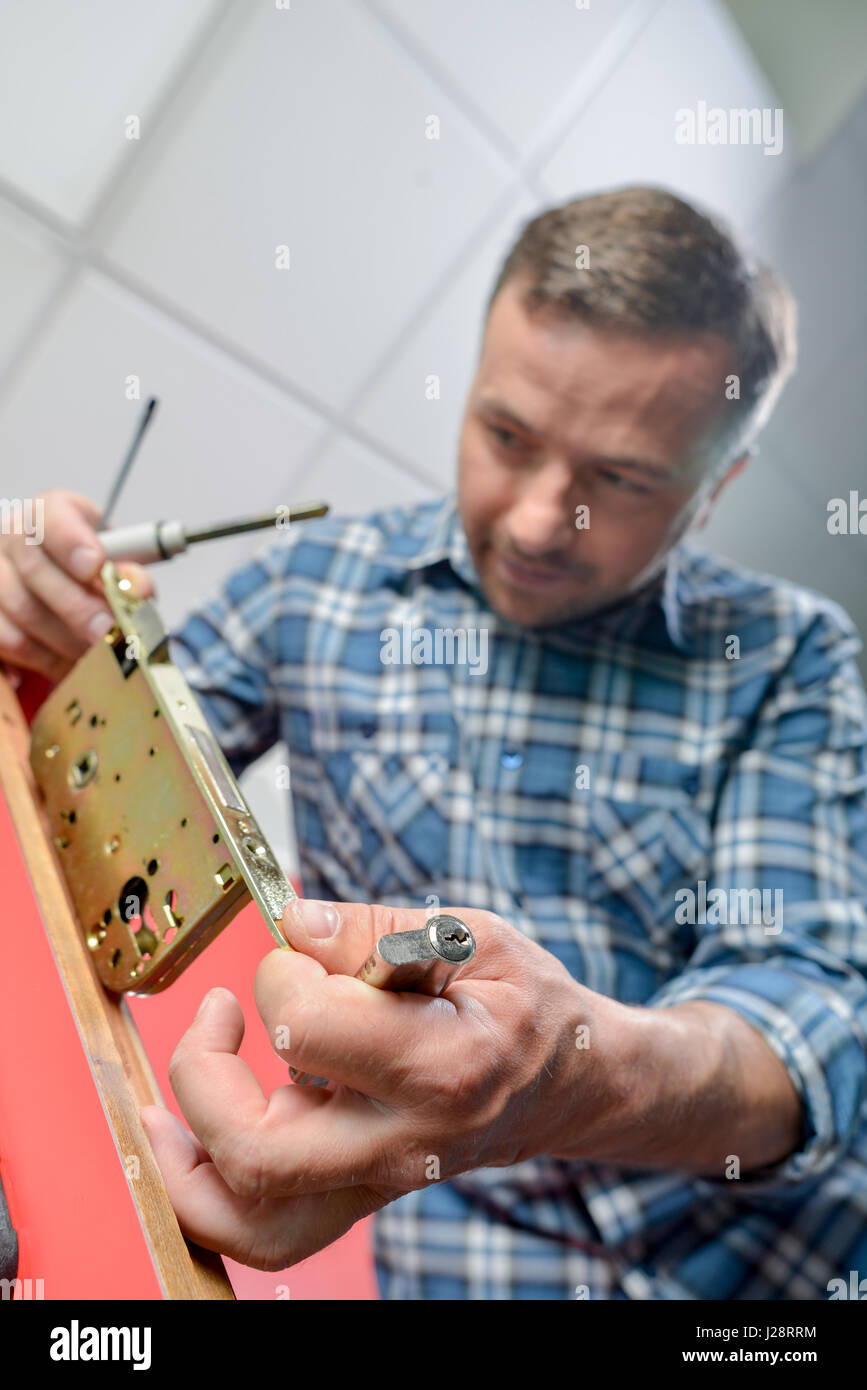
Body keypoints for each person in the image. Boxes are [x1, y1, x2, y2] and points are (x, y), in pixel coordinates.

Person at [3, 187, 866, 1300]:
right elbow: (84, 748)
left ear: (716, 489)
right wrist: (33, 606)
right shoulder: (308, 593)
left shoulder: (790, 657)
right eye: (506, 436)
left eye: (620, 480)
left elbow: (817, 1023)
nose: (538, 520)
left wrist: (572, 1077)